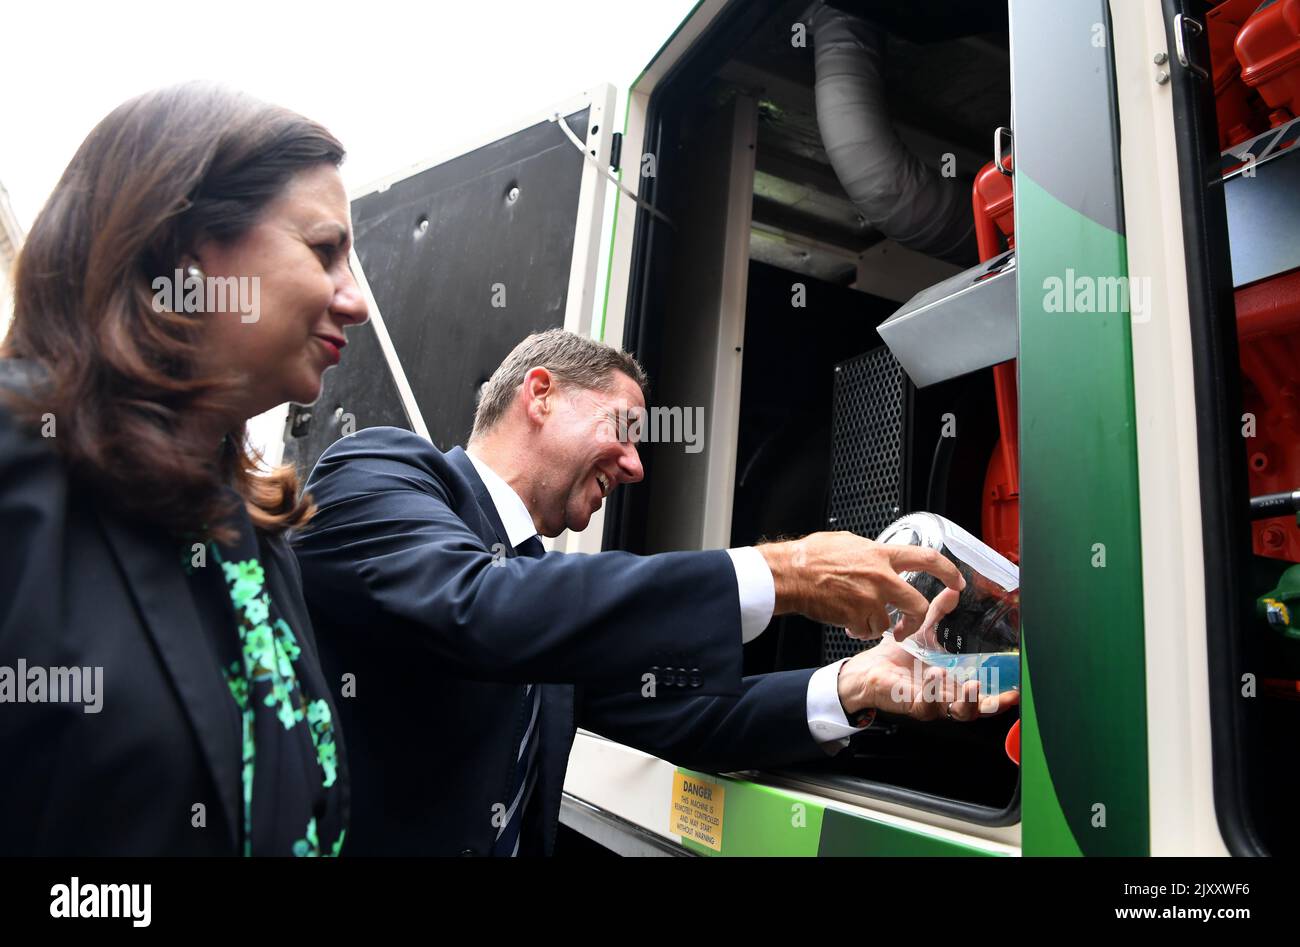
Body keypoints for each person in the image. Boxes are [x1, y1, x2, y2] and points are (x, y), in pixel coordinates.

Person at [292, 329, 1016, 855]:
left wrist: (857, 682)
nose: (636, 466)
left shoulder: (551, 611)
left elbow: (691, 719)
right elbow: (481, 607)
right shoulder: (375, 469)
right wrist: (786, 572)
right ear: (539, 393)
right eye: (624, 429)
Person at [0, 83, 368, 855]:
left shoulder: (256, 530)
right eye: (325, 249)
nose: (356, 299)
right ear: (186, 252)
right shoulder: (17, 466)